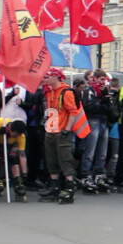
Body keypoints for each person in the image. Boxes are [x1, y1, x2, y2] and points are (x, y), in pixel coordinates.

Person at [40, 68, 88, 204]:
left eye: (48, 76)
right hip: (50, 130)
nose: (46, 78)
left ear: (56, 77)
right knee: (51, 159)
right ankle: (54, 185)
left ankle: (70, 186)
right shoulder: (49, 92)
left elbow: (73, 112)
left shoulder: (66, 92)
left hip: (61, 131)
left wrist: (67, 129)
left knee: (65, 160)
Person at [79, 70, 115, 194]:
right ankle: (86, 175)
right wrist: (103, 102)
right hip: (92, 121)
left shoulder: (105, 91)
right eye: (100, 79)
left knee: (102, 151)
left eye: (104, 79)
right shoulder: (89, 91)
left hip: (104, 121)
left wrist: (105, 101)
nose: (103, 82)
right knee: (90, 150)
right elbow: (89, 107)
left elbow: (111, 109)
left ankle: (99, 174)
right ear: (95, 79)